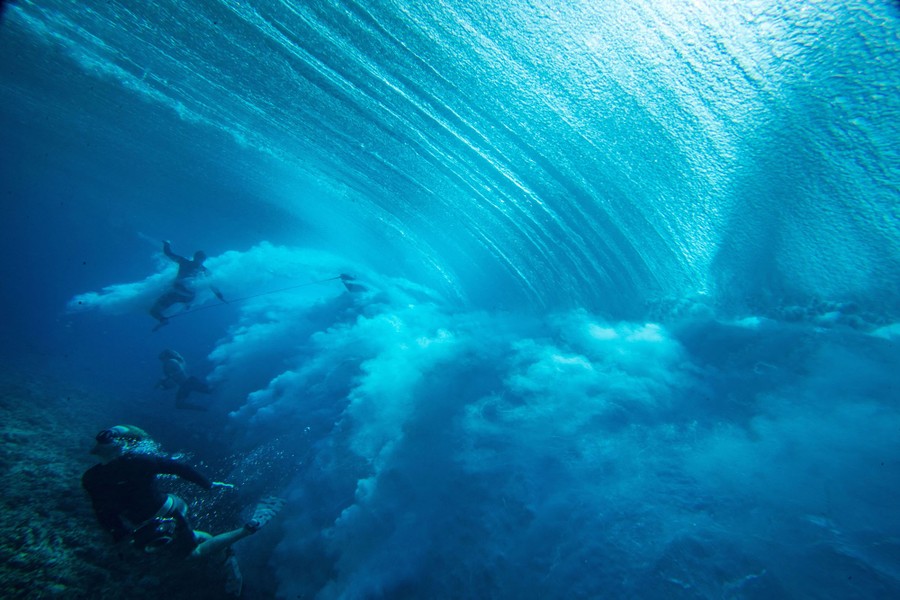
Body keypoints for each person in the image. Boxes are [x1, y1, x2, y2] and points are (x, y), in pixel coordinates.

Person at [81, 425, 284, 597]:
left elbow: (103, 510)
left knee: (192, 554)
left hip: (169, 511)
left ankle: (247, 529)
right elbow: (180, 468)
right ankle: (219, 547)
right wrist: (207, 484)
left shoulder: (94, 477)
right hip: (159, 513)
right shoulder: (137, 462)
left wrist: (118, 534)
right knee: (188, 541)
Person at [150, 240, 226, 330]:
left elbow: (168, 253)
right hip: (189, 296)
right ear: (204, 260)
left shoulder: (184, 261)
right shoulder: (205, 270)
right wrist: (220, 297)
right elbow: (211, 285)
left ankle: (163, 320)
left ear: (194, 257)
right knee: (184, 301)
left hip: (177, 292)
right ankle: (187, 305)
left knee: (153, 311)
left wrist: (167, 244)